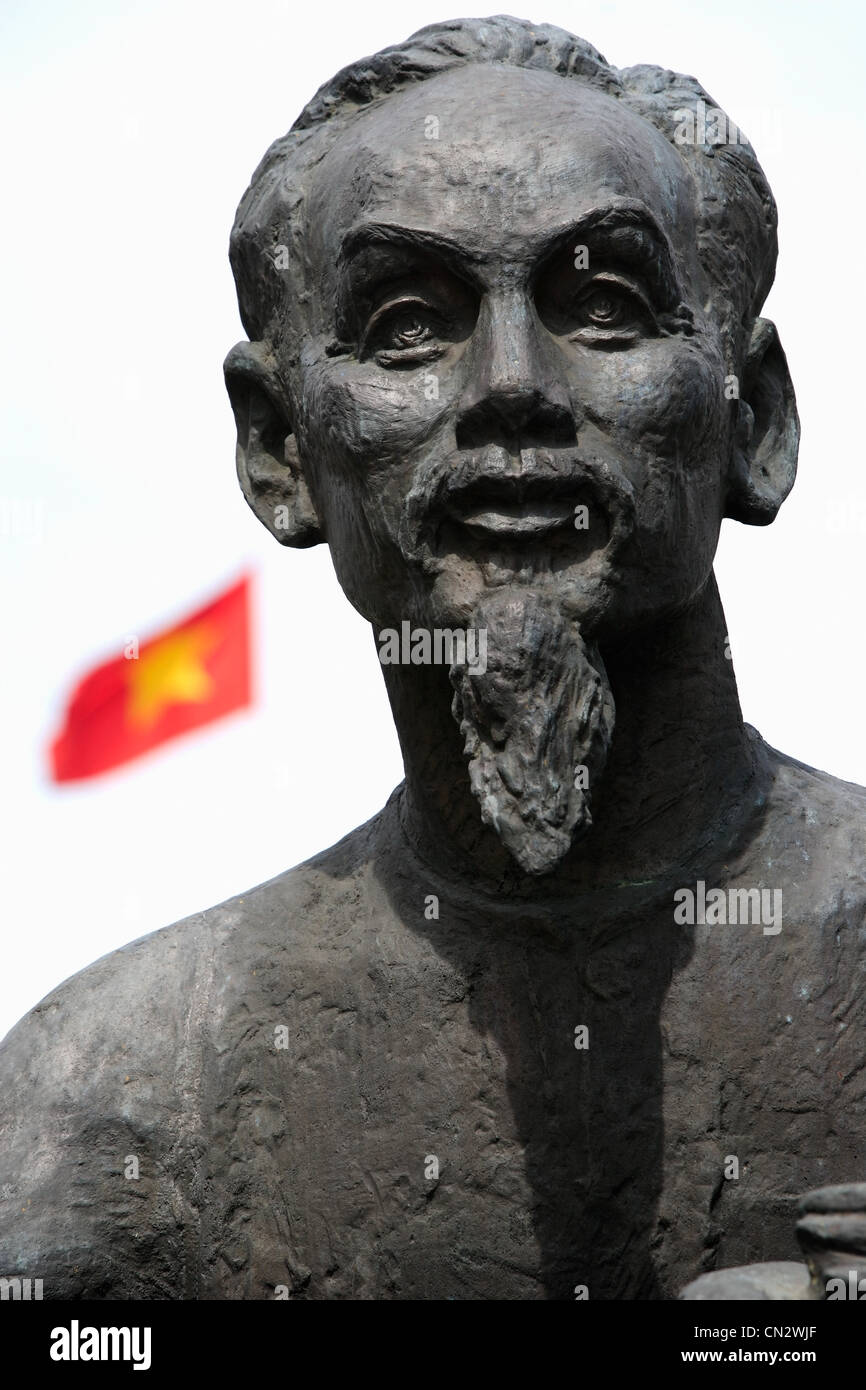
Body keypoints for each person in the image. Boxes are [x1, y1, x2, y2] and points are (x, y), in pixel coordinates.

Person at [1, 16, 863, 1300]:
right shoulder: (107, 1107)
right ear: (279, 451)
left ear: (758, 420)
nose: (511, 385)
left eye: (605, 307)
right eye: (408, 325)